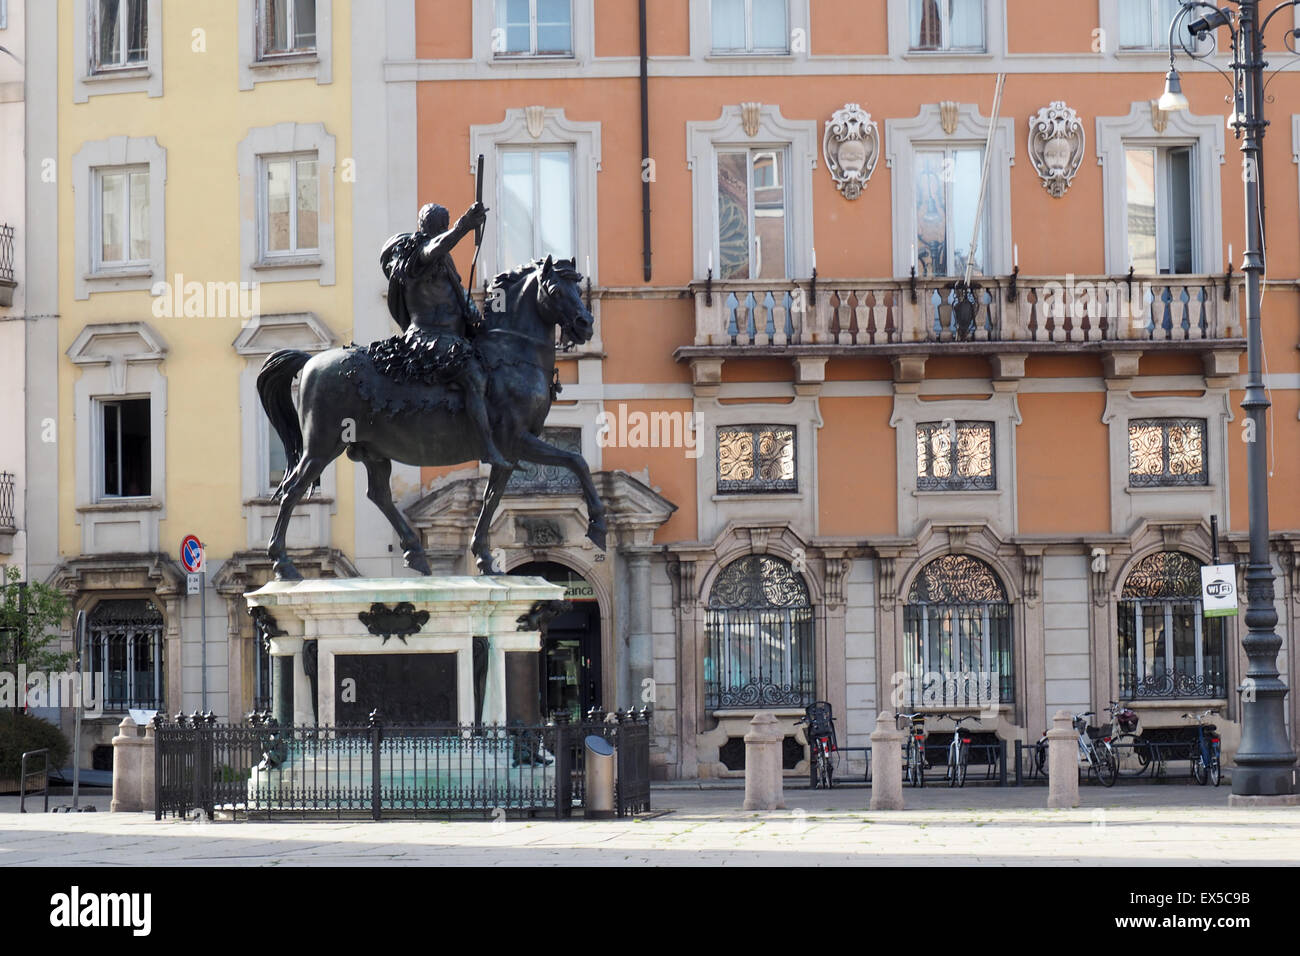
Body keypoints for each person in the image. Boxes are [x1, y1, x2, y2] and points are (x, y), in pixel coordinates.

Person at [379, 201, 511, 468]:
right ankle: (487, 448)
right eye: (439, 225)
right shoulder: (415, 255)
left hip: (452, 337)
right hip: (428, 337)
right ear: (426, 226)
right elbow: (435, 247)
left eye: (445, 224)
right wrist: (463, 226)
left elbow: (458, 292)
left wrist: (475, 315)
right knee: (473, 375)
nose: (442, 229)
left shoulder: (443, 260)